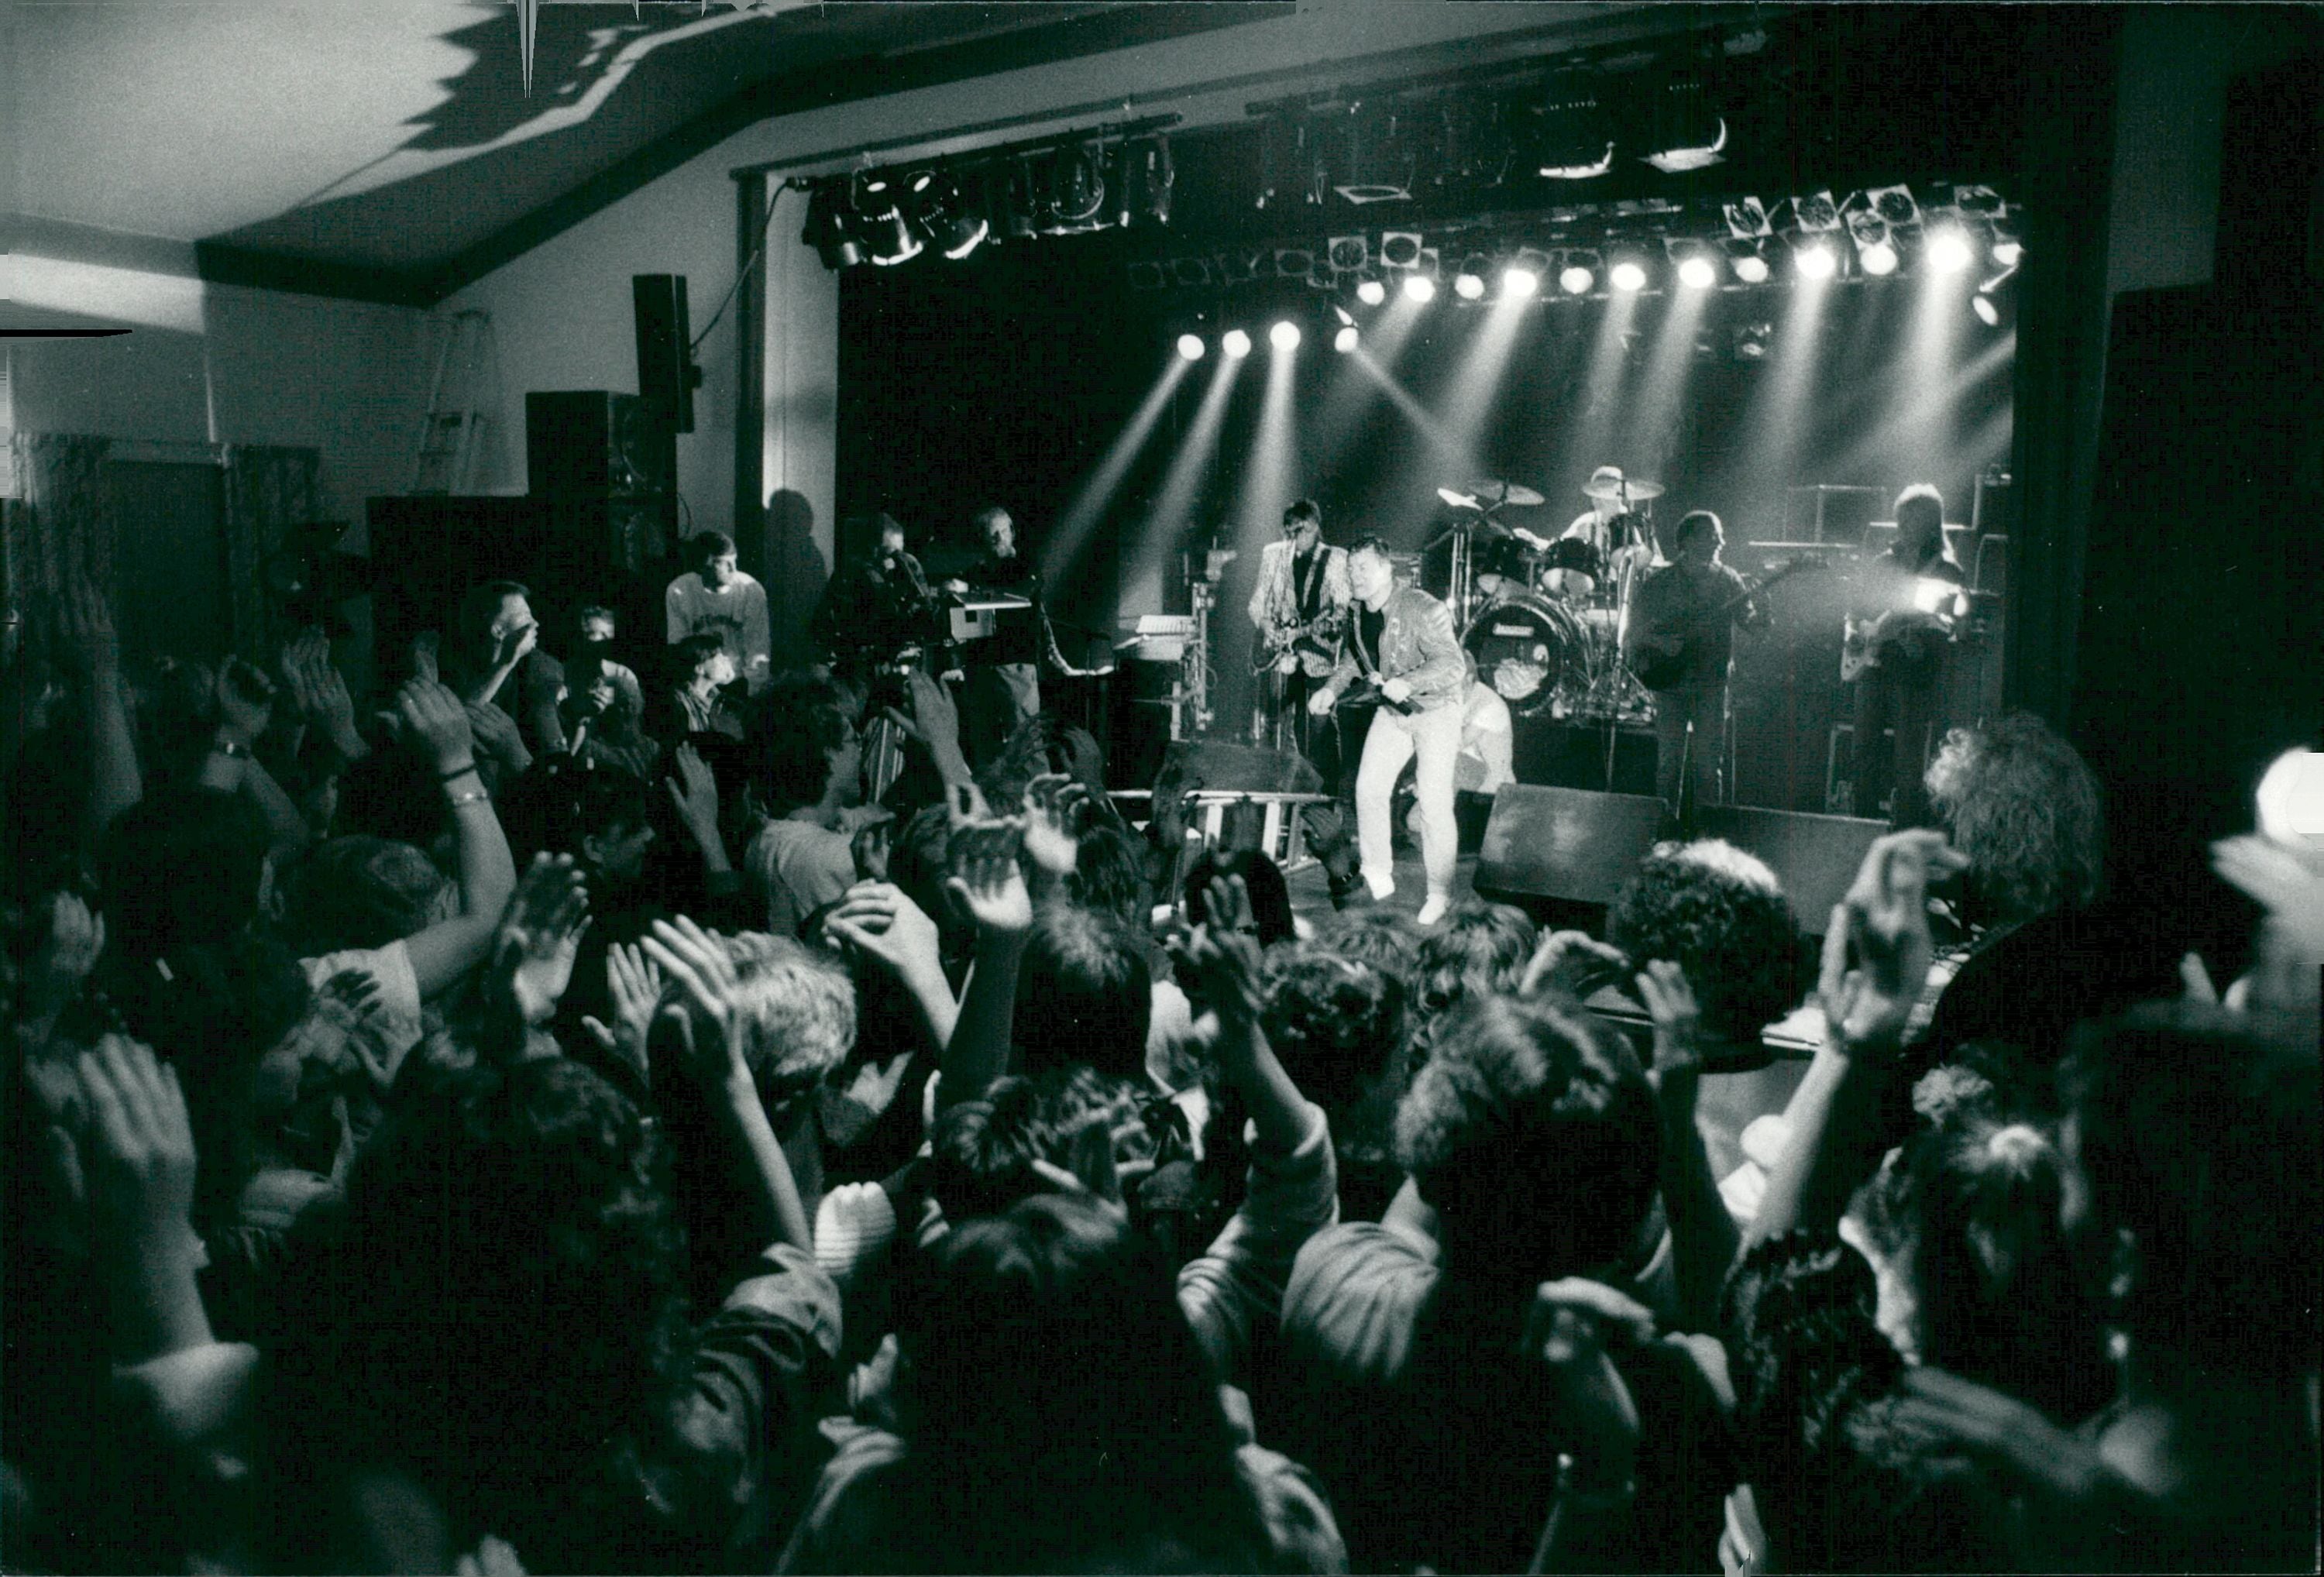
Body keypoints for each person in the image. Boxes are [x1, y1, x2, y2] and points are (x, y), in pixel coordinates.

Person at [1308, 538, 1466, 926]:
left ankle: (1440, 894)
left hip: (1437, 710)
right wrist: (1331, 687)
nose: (1354, 576)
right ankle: (1378, 876)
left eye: (1363, 568)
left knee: (1433, 802)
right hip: (1394, 712)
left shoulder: (1423, 608)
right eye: (1351, 569)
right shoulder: (1359, 612)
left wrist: (1410, 682)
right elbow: (1354, 657)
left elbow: (1453, 664)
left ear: (1386, 568)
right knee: (1369, 789)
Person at [1623, 510, 1767, 823]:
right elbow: (1635, 633)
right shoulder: (1660, 582)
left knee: (1707, 768)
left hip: (1711, 685)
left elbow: (1754, 627)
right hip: (1670, 685)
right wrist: (1662, 645)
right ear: (1688, 541)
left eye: (1719, 534)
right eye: (1712, 534)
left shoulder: (1729, 579)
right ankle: (1663, 832)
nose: (1721, 541)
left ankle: (1708, 834)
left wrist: (1764, 604)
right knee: (1668, 766)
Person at [1844, 485, 1967, 826]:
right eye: (1902, 517)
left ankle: (1905, 832)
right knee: (1863, 754)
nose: (1904, 524)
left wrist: (1921, 644)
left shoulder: (1946, 571)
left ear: (1932, 523)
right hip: (1873, 669)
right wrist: (1855, 635)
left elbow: (1947, 626)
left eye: (1914, 518)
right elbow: (1855, 611)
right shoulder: (1881, 563)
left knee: (1908, 763)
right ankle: (1860, 828)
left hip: (1913, 676)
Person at [1246, 500, 1350, 763]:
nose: (1294, 540)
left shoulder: (1335, 559)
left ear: (1315, 527)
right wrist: (1265, 624)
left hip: (1316, 655)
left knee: (1317, 730)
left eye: (1301, 532)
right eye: (1289, 533)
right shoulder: (1273, 554)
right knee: (1272, 729)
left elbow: (1342, 611)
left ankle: (1322, 789)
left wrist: (1315, 628)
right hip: (1277, 656)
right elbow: (1257, 603)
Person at [952, 506, 1047, 731]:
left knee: (1024, 740)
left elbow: (1018, 594)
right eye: (991, 533)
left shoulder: (1025, 566)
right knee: (984, 741)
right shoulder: (974, 573)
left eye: (1002, 531)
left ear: (1012, 531)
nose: (998, 538)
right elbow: (961, 623)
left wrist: (971, 591)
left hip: (1015, 665)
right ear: (981, 538)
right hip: (980, 667)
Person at [811, 513, 937, 668]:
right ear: (872, 547)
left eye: (899, 551)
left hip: (904, 656)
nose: (895, 557)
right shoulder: (852, 571)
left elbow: (924, 607)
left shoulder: (909, 564)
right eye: (888, 552)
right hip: (866, 659)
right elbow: (833, 616)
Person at [665, 531, 773, 696]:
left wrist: (754, 694)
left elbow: (758, 648)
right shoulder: (679, 591)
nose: (733, 569)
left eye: (734, 561)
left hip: (740, 682)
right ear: (702, 566)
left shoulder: (751, 591)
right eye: (723, 563)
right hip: (699, 681)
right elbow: (679, 646)